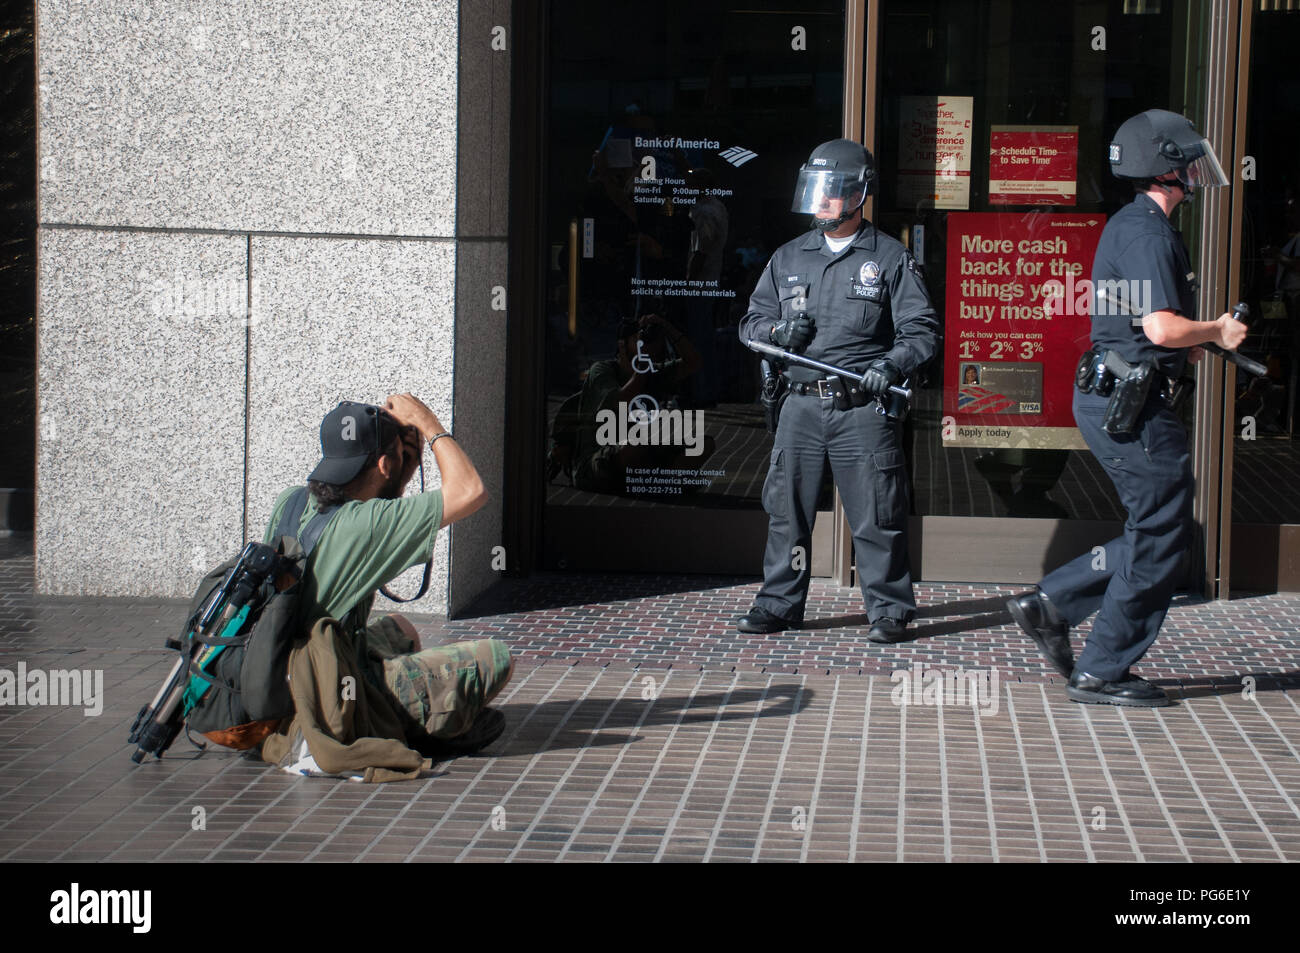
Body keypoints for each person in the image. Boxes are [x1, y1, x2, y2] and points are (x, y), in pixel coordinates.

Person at [1006, 109, 1245, 707]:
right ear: (1166, 167)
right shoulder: (1147, 233)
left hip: (1120, 394)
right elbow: (1162, 329)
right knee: (1163, 534)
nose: (1197, 172)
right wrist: (1216, 328)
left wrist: (1189, 348)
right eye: (1190, 162)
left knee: (1158, 529)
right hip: (1130, 406)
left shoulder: (1134, 226)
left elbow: (1140, 327)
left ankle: (1053, 602)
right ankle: (1101, 669)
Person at [735, 139, 939, 643]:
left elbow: (922, 331)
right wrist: (775, 335)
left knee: (876, 512)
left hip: (861, 408)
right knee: (788, 513)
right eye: (816, 192)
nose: (821, 203)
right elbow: (752, 321)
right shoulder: (787, 258)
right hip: (799, 405)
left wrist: (891, 365)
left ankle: (888, 609)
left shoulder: (890, 258)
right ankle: (779, 604)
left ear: (857, 195)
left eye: (832, 193)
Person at [263, 395, 514, 760]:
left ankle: (409, 707)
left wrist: (400, 471)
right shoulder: (363, 524)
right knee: (496, 656)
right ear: (383, 464)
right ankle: (400, 724)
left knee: (400, 628)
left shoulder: (291, 501)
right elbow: (469, 492)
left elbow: (376, 512)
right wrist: (429, 424)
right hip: (332, 690)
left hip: (288, 671)